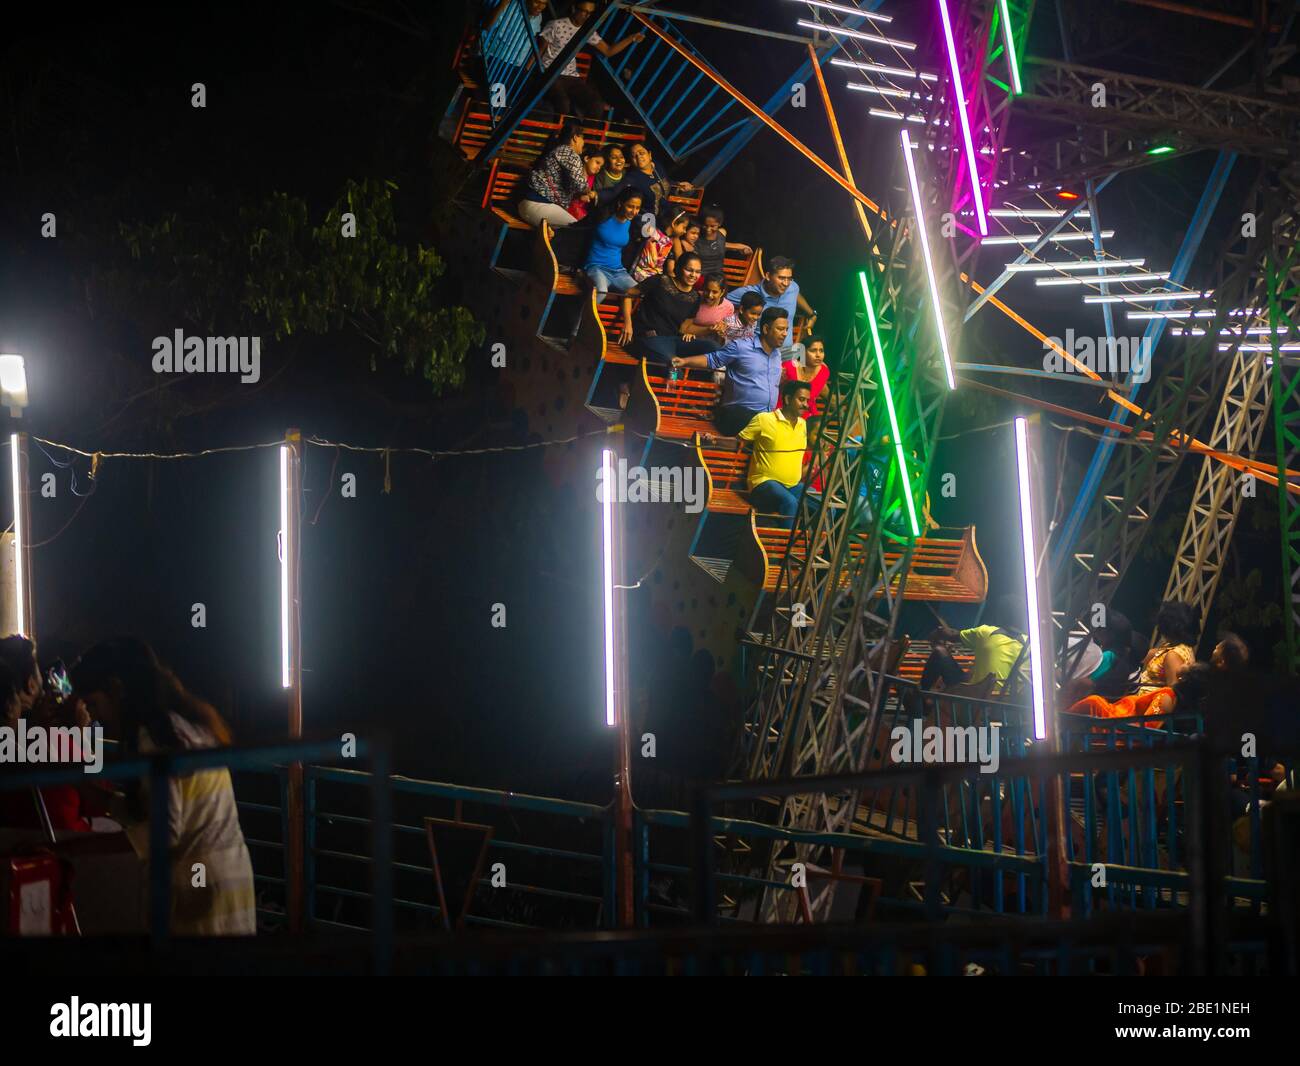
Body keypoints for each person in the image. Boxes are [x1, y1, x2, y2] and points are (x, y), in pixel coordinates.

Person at [71, 638, 256, 935]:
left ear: (116, 689)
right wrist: (101, 798)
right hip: (229, 882)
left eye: (94, 704)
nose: (96, 717)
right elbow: (163, 810)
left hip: (197, 897)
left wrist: (71, 849)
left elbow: (162, 832)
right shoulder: (186, 724)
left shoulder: (154, 737)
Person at [1068, 632, 1249, 726]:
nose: (1216, 645)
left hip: (1119, 721)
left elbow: (1143, 729)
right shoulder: (1171, 694)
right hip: (1122, 713)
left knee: (1092, 702)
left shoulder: (1167, 697)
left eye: (1182, 674)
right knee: (1093, 702)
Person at [672, 307, 789, 436]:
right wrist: (685, 361)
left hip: (764, 418)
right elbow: (713, 359)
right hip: (737, 415)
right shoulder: (741, 347)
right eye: (780, 329)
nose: (785, 334)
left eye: (786, 330)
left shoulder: (777, 355)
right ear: (766, 329)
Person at [722, 378, 811, 527]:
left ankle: (815, 549)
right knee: (790, 503)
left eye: (808, 401)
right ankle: (785, 548)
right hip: (762, 484)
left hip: (792, 486)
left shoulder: (803, 424)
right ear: (788, 399)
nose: (806, 405)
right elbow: (738, 442)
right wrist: (714, 440)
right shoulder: (764, 419)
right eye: (802, 399)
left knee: (826, 506)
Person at [539, 1, 644, 119]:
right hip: (552, 73)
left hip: (572, 78)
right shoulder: (555, 25)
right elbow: (539, 52)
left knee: (596, 104)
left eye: (590, 13)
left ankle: (580, 134)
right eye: (584, 12)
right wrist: (530, 72)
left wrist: (631, 38)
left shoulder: (587, 30)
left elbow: (608, 51)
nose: (587, 16)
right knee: (563, 105)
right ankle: (559, 134)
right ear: (574, 9)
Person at [619, 253, 716, 363]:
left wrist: (709, 329)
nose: (693, 275)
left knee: (713, 348)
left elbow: (684, 329)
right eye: (689, 270)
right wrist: (628, 323)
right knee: (672, 363)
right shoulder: (659, 281)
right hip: (647, 338)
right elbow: (628, 295)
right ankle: (674, 378)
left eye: (698, 272)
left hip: (673, 340)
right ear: (679, 268)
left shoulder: (695, 297)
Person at [921, 595, 1030, 693]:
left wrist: (938, 632)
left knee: (939, 652)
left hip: (976, 699)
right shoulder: (1030, 645)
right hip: (1008, 706)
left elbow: (950, 634)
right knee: (972, 671)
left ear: (1000, 615)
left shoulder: (986, 633)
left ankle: (921, 697)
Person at [518, 120, 596, 229]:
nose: (583, 143)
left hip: (530, 205)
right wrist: (591, 192)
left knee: (560, 234)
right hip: (539, 205)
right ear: (575, 138)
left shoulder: (557, 150)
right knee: (577, 229)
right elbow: (579, 183)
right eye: (582, 138)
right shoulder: (569, 153)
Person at [727, 256, 818, 333]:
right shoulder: (749, 294)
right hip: (758, 352)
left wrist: (812, 314)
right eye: (781, 278)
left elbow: (796, 294)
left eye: (789, 278)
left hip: (787, 352)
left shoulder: (792, 287)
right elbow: (720, 303)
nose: (786, 283)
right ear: (768, 276)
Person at [583, 188, 642, 303]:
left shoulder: (633, 224)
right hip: (595, 267)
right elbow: (579, 229)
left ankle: (625, 321)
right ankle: (579, 320)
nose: (634, 211)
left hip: (618, 271)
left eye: (637, 208)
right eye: (630, 206)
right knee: (601, 292)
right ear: (620, 203)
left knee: (638, 292)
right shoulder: (604, 216)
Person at [601, 142, 691, 217]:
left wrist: (679, 186)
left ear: (649, 154)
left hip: (666, 214)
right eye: (634, 156)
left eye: (641, 153)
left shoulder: (657, 166)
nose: (638, 157)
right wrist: (595, 195)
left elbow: (666, 182)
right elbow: (615, 191)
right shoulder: (632, 178)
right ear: (632, 161)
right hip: (647, 220)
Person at [1137, 600, 1198, 695]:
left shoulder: (1173, 656)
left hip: (1148, 705)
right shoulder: (1176, 646)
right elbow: (1148, 655)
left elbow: (1172, 693)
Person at [482, 0, 549, 71]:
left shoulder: (538, 17)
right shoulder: (508, 7)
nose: (540, 7)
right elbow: (486, 27)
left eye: (544, 4)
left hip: (517, 66)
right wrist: (501, 5)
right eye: (537, 2)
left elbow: (532, 39)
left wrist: (527, 67)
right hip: (494, 58)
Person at [630, 207, 689, 284]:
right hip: (640, 276)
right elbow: (650, 263)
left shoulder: (669, 241)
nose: (684, 231)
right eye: (683, 227)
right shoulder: (654, 234)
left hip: (653, 277)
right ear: (674, 223)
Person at [694, 205, 752, 280]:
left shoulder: (722, 233)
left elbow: (720, 244)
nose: (708, 229)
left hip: (718, 278)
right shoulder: (696, 237)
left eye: (712, 226)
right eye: (705, 225)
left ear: (720, 223)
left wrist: (741, 247)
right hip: (700, 278)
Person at [783, 335, 829, 418]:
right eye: (813, 351)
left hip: (807, 416)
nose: (818, 355)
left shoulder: (823, 372)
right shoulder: (789, 367)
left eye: (821, 351)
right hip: (785, 413)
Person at [567, 145, 606, 221]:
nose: (598, 168)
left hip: (580, 210)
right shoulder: (575, 173)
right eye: (597, 163)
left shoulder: (593, 177)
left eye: (601, 166)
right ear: (586, 158)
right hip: (568, 208)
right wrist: (579, 197)